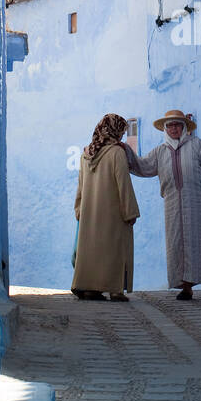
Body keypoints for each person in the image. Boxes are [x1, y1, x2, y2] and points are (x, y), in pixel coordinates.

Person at [124, 109, 201, 300]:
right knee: (178, 246)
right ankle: (186, 288)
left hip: (200, 205)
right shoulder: (160, 152)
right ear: (165, 129)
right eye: (170, 125)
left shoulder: (197, 145)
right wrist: (125, 151)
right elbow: (142, 165)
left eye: (177, 124)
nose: (174, 128)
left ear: (184, 126)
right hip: (172, 207)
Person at [73, 113, 139, 302]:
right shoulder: (116, 153)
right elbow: (123, 184)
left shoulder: (86, 153)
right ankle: (115, 290)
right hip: (113, 213)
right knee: (114, 250)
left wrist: (79, 209)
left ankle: (89, 288)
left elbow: (80, 185)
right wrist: (130, 211)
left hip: (90, 213)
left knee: (92, 250)